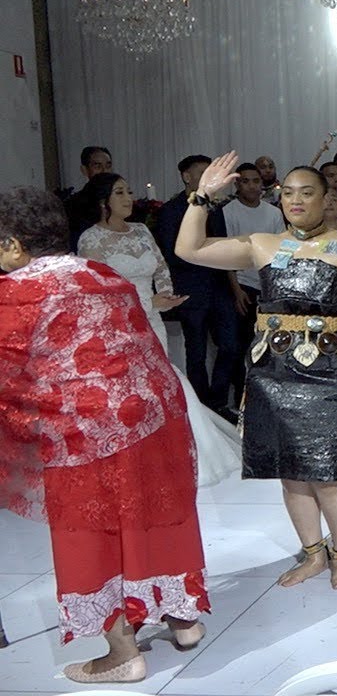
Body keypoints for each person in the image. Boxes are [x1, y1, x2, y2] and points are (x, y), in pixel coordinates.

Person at [0, 186, 210, 683]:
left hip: (81, 435)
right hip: (152, 419)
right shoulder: (102, 275)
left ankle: (122, 654)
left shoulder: (15, 293)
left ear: (12, 244)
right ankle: (183, 620)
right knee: (153, 517)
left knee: (91, 535)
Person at [176, 152, 337, 590]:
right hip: (274, 369)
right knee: (290, 470)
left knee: (328, 471)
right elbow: (189, 249)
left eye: (307, 193)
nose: (297, 201)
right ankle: (312, 553)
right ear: (279, 200)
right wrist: (203, 197)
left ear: (327, 200)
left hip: (332, 370)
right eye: (288, 194)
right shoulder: (262, 243)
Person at [76, 173, 241, 487]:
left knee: (161, 379)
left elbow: (161, 265)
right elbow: (100, 292)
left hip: (153, 318)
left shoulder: (139, 230)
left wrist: (164, 294)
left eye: (129, 190)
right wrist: (148, 301)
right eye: (120, 192)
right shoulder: (91, 239)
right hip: (120, 327)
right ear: (103, 202)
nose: (128, 197)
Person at [151, 154, 239, 414]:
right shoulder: (171, 209)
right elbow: (170, 251)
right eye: (201, 173)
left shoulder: (217, 207)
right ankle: (202, 406)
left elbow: (223, 242)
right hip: (191, 288)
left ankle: (219, 399)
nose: (208, 177)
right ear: (186, 176)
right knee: (196, 351)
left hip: (219, 287)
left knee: (230, 345)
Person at [223, 162, 286, 405]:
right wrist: (236, 290)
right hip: (241, 285)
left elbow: (281, 251)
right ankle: (241, 397)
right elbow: (227, 254)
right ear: (237, 184)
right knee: (241, 347)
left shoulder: (273, 212)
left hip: (268, 287)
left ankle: (265, 397)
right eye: (246, 181)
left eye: (256, 181)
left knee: (266, 345)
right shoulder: (229, 211)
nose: (252, 186)